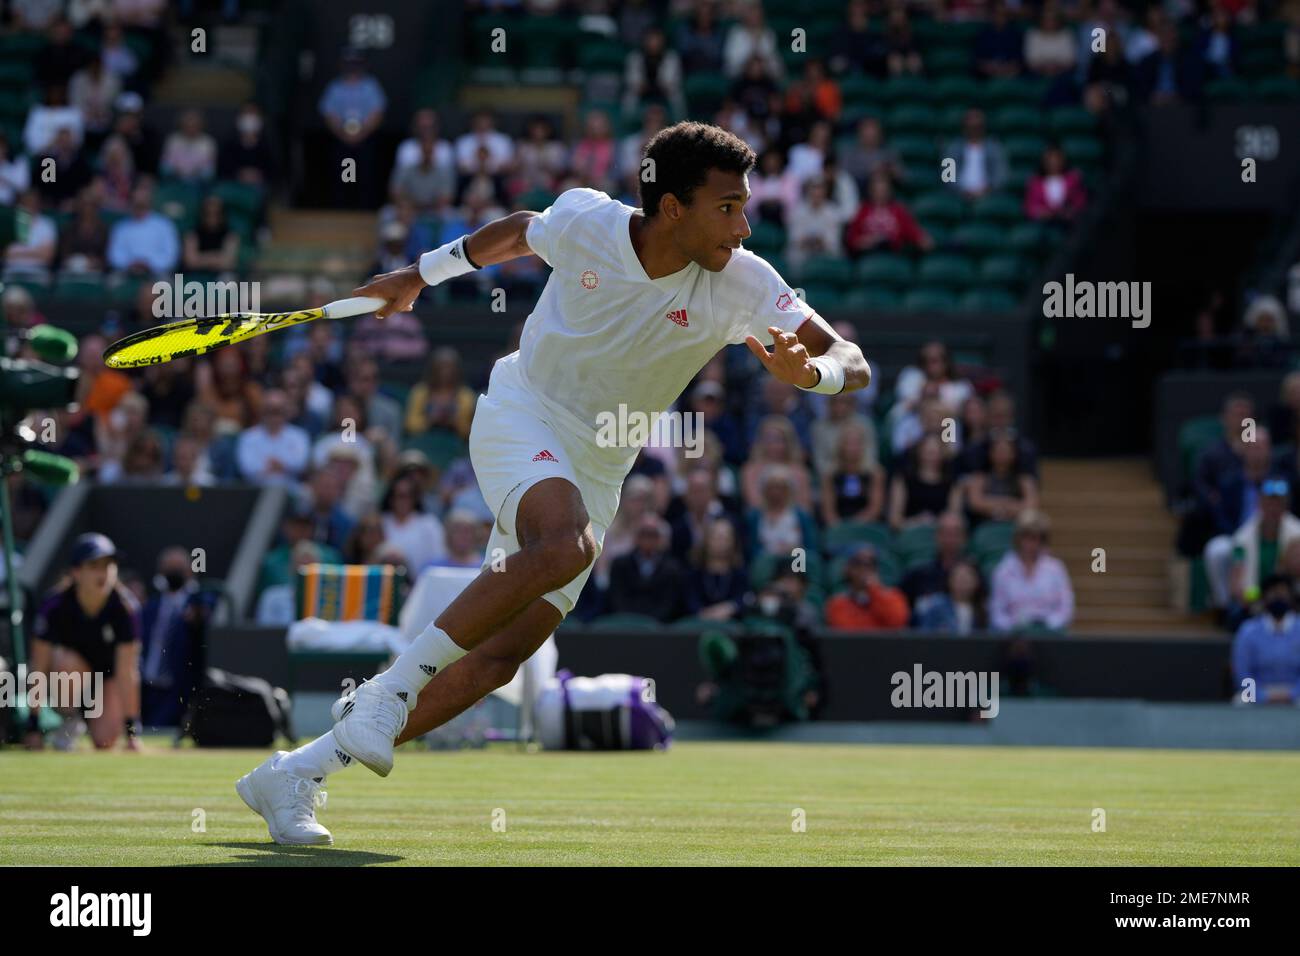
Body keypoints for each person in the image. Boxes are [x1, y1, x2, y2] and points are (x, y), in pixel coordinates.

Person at [236, 120, 871, 844]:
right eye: (727, 206)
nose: (744, 223)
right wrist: (420, 274)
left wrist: (813, 374)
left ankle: (294, 775)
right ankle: (384, 695)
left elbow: (852, 358)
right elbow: (518, 232)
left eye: (744, 205)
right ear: (672, 208)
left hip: (601, 466)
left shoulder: (747, 281)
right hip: (523, 414)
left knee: (499, 661)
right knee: (564, 545)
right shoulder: (587, 221)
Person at [24, 534, 141, 751]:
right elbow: (38, 668)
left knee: (105, 741)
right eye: (94, 565)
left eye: (109, 564)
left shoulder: (126, 609)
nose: (104, 572)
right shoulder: (54, 606)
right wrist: (33, 727)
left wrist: (132, 732)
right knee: (66, 663)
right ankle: (68, 721)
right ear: (76, 572)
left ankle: (89, 723)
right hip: (69, 677)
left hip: (107, 681)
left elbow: (127, 671)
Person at [989, 510, 1074, 632]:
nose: (1030, 544)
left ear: (1042, 541)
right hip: (1013, 638)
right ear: (1018, 539)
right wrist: (1014, 629)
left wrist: (1047, 626)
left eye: (1035, 538)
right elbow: (997, 612)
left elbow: (1066, 608)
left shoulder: (1056, 569)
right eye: (1026, 537)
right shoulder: (1003, 570)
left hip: (1049, 635)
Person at [1230, 574, 1300, 704]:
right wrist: (1263, 696)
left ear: (1291, 597)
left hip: (1296, 694)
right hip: (1258, 692)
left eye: (1283, 593)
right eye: (1273, 593)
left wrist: (1292, 694)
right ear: (1264, 597)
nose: (1278, 598)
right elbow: (1242, 672)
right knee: (1240, 701)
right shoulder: (1248, 630)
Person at [824, 545, 910, 631]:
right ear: (847, 569)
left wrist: (875, 590)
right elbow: (847, 632)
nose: (864, 569)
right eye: (858, 563)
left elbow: (897, 622)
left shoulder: (894, 597)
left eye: (870, 563)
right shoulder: (837, 604)